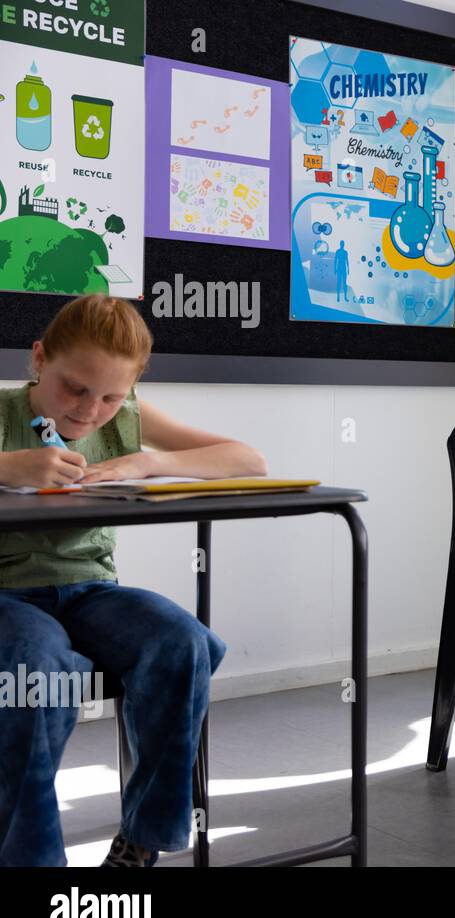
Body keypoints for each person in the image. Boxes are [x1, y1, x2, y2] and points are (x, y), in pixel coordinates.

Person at [0, 294, 267, 866]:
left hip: (90, 591)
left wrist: (148, 462)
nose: (89, 411)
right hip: (8, 594)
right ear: (40, 358)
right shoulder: (2, 413)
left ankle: (143, 839)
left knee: (182, 642)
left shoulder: (126, 419)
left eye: (110, 396)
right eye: (75, 388)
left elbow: (249, 461)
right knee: (34, 663)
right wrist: (7, 467)